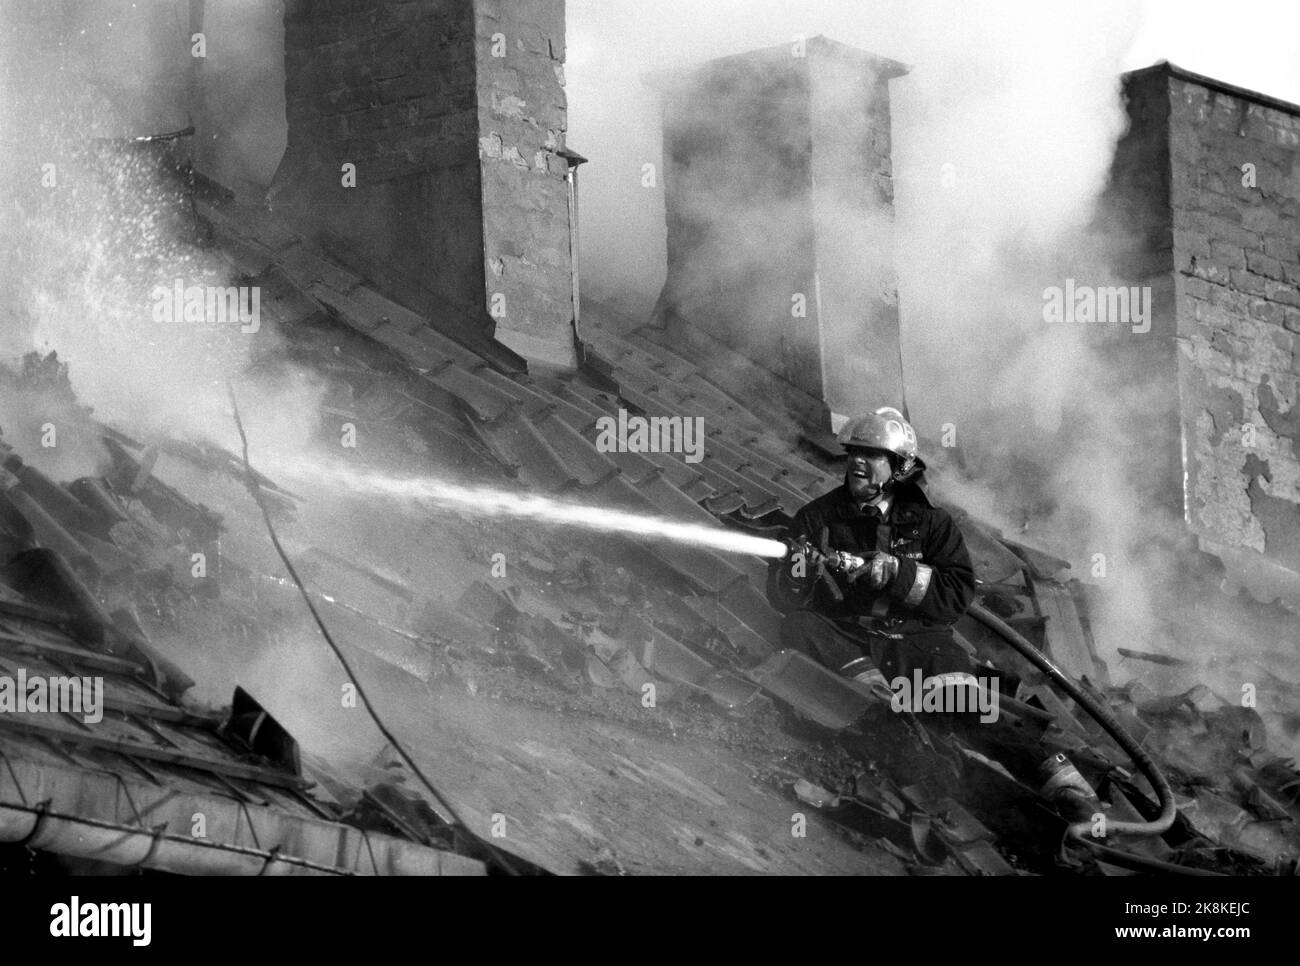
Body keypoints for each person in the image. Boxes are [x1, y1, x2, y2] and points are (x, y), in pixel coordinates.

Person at [766, 407, 977, 693]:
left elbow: (957, 596)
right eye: (853, 452)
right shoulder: (816, 518)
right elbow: (783, 601)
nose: (857, 462)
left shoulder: (932, 523)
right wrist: (798, 573)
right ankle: (875, 702)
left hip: (919, 641)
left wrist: (899, 574)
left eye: (872, 454)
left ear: (900, 466)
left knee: (961, 697)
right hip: (847, 637)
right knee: (798, 625)